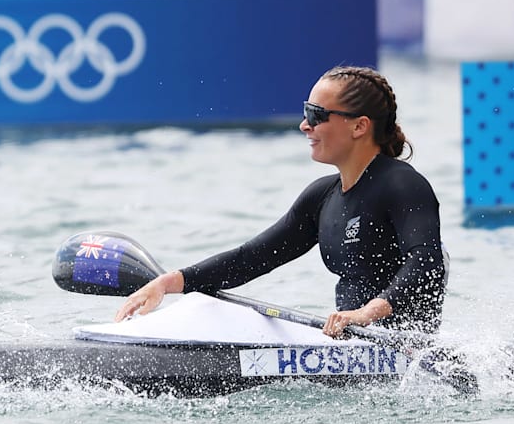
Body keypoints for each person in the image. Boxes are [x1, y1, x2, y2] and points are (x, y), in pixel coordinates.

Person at [114, 65, 447, 337]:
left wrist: (367, 314)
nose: (304, 125)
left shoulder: (403, 184)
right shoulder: (321, 197)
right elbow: (251, 259)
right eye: (306, 112)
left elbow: (427, 263)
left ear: (359, 126)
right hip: (346, 339)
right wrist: (167, 283)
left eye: (317, 115)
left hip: (404, 351)